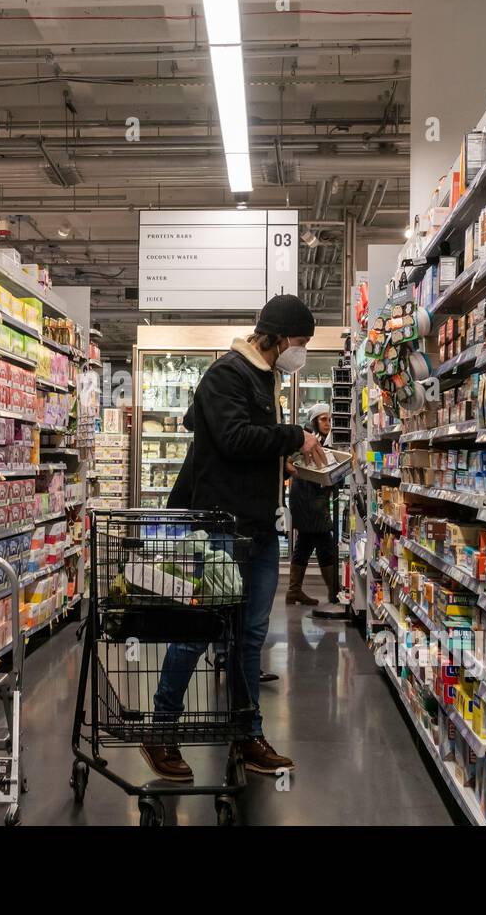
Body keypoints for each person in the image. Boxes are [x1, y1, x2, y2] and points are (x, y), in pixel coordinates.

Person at [145, 295, 326, 781]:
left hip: (258, 529)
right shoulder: (228, 374)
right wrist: (294, 438)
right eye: (301, 342)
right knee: (202, 631)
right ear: (279, 337)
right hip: (222, 529)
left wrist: (284, 464)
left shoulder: (264, 377)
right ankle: (161, 729)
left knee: (249, 637)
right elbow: (234, 438)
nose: (302, 351)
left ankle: (247, 736)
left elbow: (248, 451)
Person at [284, 403, 342, 606]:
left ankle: (294, 591)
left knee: (305, 543)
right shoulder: (306, 440)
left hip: (314, 499)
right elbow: (289, 463)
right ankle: (334, 593)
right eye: (323, 419)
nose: (328, 423)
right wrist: (303, 473)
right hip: (307, 500)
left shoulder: (326, 441)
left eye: (329, 419)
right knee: (324, 543)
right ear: (314, 421)